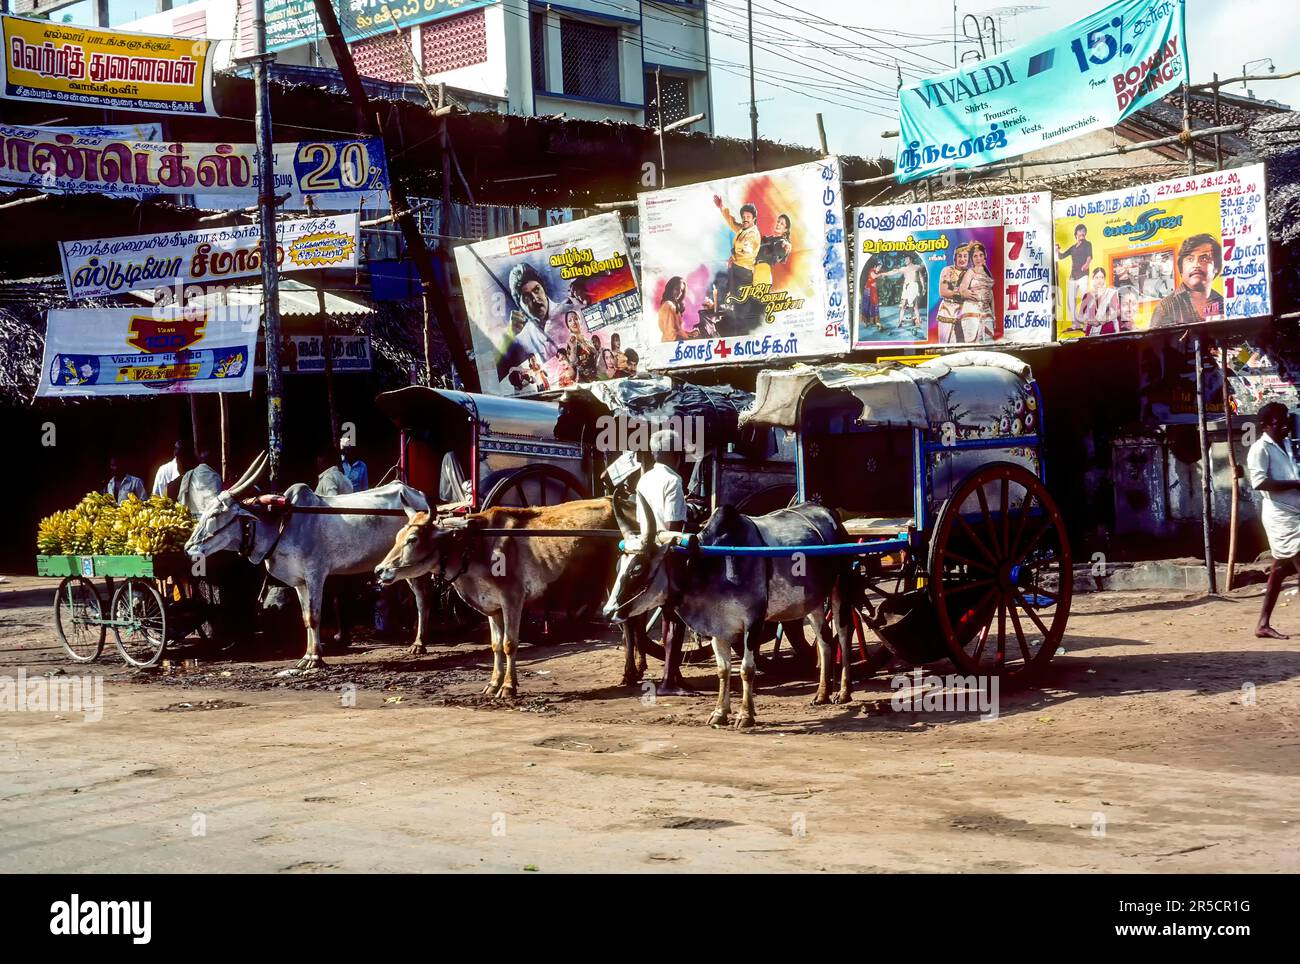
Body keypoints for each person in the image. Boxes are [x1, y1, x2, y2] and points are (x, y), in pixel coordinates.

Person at [635, 429, 690, 695]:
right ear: (673, 455)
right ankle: (669, 680)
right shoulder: (673, 481)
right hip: (667, 555)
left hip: (644, 552)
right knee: (674, 616)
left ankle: (672, 674)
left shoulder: (644, 479)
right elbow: (674, 526)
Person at [1248, 402, 1300, 639]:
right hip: (1281, 517)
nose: (1285, 426)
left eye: (1286, 421)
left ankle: (1262, 624)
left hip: (1294, 511)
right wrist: (1295, 484)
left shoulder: (1286, 444)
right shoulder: (1260, 448)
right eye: (1280, 422)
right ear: (1266, 425)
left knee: (1278, 571)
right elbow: (1259, 483)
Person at [1149, 234, 1226, 329]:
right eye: (1190, 259)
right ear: (1181, 268)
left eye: (1204, 258)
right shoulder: (1165, 307)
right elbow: (1152, 343)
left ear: (1216, 268)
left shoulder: (1225, 304)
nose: (1196, 265)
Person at [713, 195, 763, 330]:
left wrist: (733, 256)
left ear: (754, 219)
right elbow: (731, 222)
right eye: (744, 217)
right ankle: (732, 325)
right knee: (733, 299)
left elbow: (746, 250)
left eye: (748, 217)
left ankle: (741, 329)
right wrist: (721, 207)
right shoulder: (743, 229)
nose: (745, 220)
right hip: (735, 269)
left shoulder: (754, 234)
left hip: (744, 273)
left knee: (741, 302)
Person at [1056, 223, 1092, 327]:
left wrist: (1086, 264)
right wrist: (1057, 250)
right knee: (1070, 301)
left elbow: (1089, 256)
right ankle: (1075, 323)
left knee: (1085, 299)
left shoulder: (1087, 244)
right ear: (1076, 233)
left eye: (1084, 231)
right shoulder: (1073, 248)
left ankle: (1087, 323)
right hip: (1073, 276)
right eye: (1080, 231)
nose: (1083, 233)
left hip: (1083, 275)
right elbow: (1062, 256)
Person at [958, 242, 995, 342]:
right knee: (972, 343)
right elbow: (962, 288)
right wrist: (965, 293)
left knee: (988, 342)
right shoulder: (971, 272)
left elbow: (991, 295)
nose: (978, 258)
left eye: (981, 255)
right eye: (975, 256)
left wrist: (993, 315)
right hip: (972, 309)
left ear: (985, 256)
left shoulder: (988, 273)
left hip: (986, 311)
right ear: (972, 259)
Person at [936, 244, 969, 343]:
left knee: (965, 346)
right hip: (948, 311)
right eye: (959, 256)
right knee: (946, 344)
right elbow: (943, 292)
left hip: (964, 312)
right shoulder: (947, 270)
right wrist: (962, 293)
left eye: (965, 256)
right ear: (955, 257)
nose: (962, 259)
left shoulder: (970, 273)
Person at [177, 448, 223, 516]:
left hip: (190, 518)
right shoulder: (215, 477)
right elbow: (217, 505)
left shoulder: (189, 474)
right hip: (210, 518)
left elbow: (182, 500)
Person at [753, 213, 793, 287]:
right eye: (778, 222)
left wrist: (787, 245)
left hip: (763, 273)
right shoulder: (767, 239)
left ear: (785, 229)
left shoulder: (782, 242)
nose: (778, 224)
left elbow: (781, 253)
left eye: (782, 224)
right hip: (754, 270)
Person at [1079, 267, 1119, 336]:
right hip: (1091, 333)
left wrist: (1103, 320)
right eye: (1096, 277)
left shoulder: (1112, 293)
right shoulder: (1087, 295)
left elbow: (1117, 312)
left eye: (1101, 277)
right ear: (1093, 279)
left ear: (1104, 279)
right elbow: (1081, 316)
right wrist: (1089, 321)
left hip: (1109, 332)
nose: (1099, 280)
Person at [658, 277, 688, 342]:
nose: (680, 293)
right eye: (677, 289)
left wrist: (689, 334)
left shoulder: (673, 305)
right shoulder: (668, 305)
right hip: (670, 345)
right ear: (670, 289)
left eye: (682, 290)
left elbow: (676, 330)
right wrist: (689, 339)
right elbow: (671, 334)